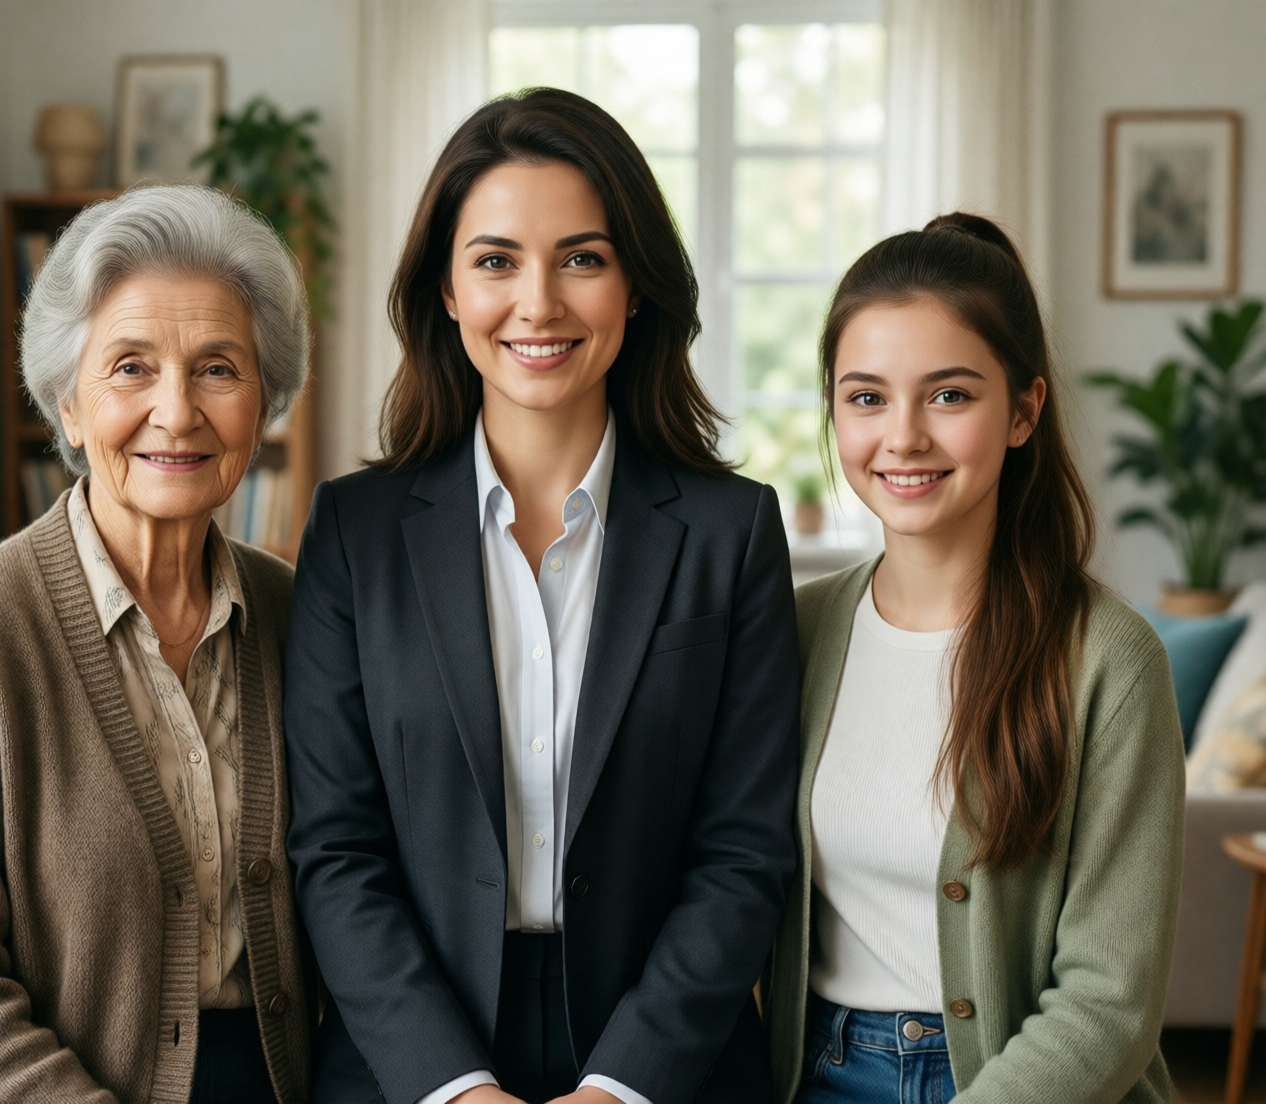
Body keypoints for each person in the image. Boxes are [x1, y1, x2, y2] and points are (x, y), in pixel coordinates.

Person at [285, 88, 800, 1104]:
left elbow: (742, 852)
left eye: (581, 257)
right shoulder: (353, 532)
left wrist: (620, 1086)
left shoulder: (732, 531)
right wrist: (452, 1087)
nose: (538, 302)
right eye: (494, 260)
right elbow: (336, 851)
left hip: (664, 1058)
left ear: (634, 286)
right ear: (444, 289)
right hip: (411, 1059)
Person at [0, 184, 314, 1104]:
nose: (177, 410)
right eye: (130, 368)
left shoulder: (297, 614)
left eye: (219, 369)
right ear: (68, 408)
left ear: (263, 406)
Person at [765, 213, 1185, 1104]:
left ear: (1024, 411)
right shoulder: (791, 632)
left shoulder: (1109, 660)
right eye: (866, 397)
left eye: (949, 395)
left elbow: (1110, 1001)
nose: (904, 437)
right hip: (813, 1075)